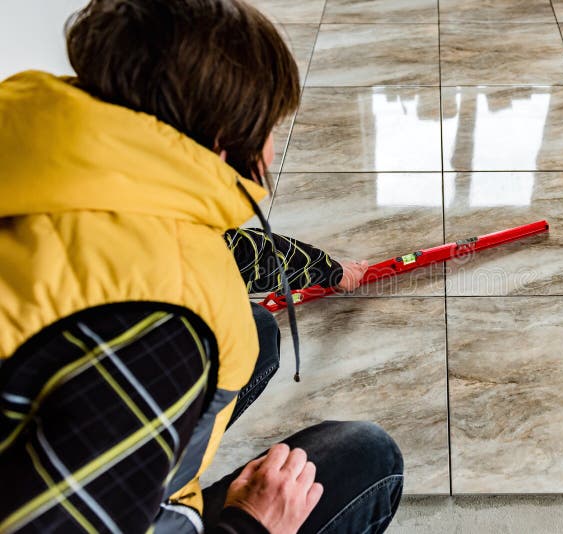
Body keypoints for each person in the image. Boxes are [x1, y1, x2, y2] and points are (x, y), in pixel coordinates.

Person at [0, 1, 403, 532]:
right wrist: (253, 522)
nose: (273, 147)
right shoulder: (159, 323)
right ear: (221, 145)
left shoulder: (57, 162)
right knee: (368, 457)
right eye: (268, 128)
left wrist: (326, 269)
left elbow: (227, 250)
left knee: (253, 329)